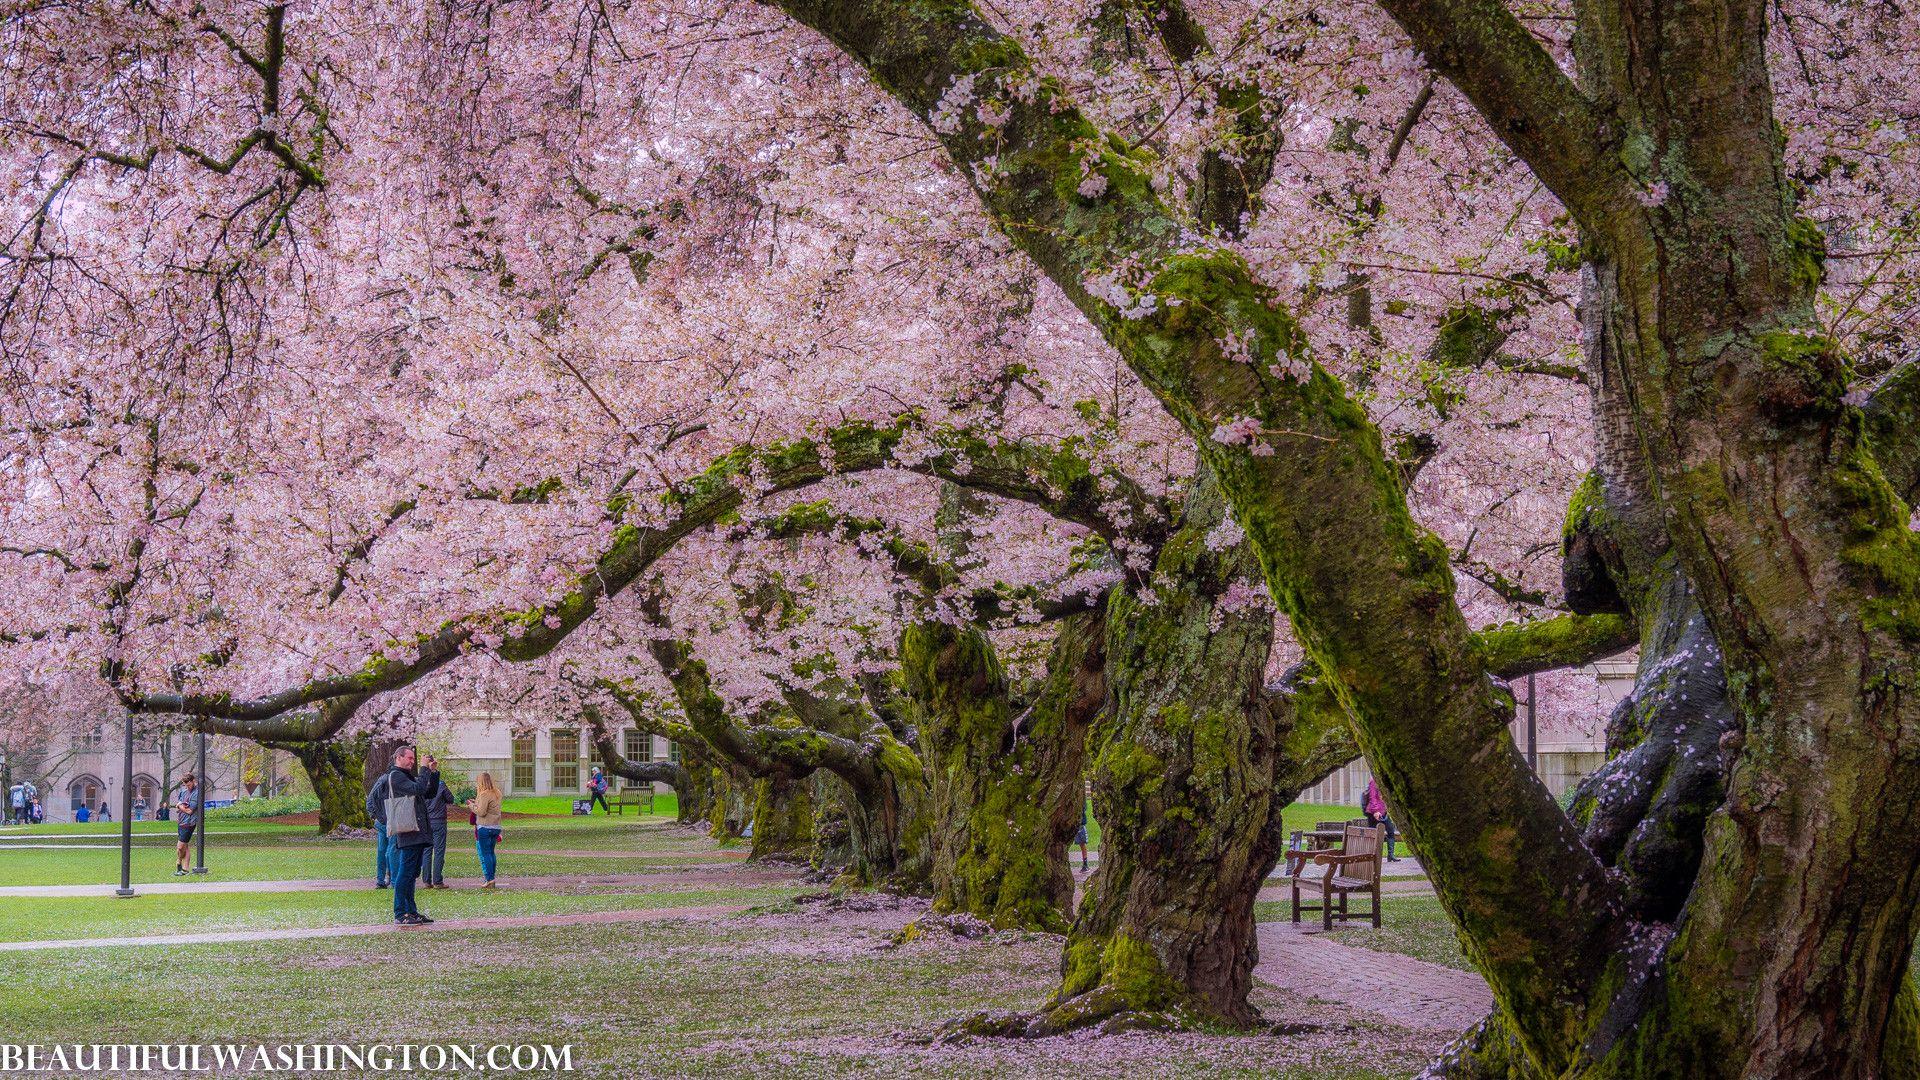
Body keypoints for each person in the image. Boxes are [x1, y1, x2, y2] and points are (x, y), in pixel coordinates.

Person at [384, 746, 442, 925]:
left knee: (412, 873)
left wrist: (432, 772)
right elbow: (417, 788)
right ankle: (400, 913)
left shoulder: (405, 776)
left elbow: (428, 792)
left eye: (413, 759)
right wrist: (424, 769)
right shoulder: (395, 776)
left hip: (417, 830)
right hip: (408, 830)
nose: (412, 761)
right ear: (398, 758)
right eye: (409, 758)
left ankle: (411, 911)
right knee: (405, 872)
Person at [467, 771, 503, 889]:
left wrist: (471, 806)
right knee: (491, 853)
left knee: (486, 854)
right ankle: (492, 878)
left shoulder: (484, 794)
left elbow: (481, 812)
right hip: (496, 827)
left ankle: (490, 879)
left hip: (485, 827)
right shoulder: (497, 793)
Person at [423, 777, 457, 889]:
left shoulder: (421, 784)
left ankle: (426, 880)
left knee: (427, 851)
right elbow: (451, 799)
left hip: (426, 821)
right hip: (439, 821)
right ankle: (437, 880)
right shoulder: (441, 784)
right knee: (439, 851)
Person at [365, 769, 395, 889]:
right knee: (391, 851)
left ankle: (380, 880)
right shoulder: (394, 780)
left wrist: (374, 815)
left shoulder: (380, 780)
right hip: (390, 820)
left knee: (382, 851)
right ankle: (392, 879)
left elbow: (370, 799)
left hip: (381, 820)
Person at [1362, 777, 1400, 862]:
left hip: (1383, 812)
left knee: (1390, 831)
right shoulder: (1374, 781)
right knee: (1373, 834)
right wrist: (1375, 811)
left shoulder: (1384, 780)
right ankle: (1371, 855)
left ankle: (1391, 855)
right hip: (1373, 812)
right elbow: (1372, 797)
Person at [172, 774, 199, 876]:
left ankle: (178, 863)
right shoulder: (183, 792)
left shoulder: (197, 793)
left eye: (189, 784)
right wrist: (179, 806)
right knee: (185, 846)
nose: (188, 787)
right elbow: (178, 806)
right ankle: (185, 869)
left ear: (193, 781)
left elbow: (189, 810)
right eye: (186, 785)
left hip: (189, 822)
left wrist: (180, 806)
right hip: (181, 821)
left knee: (180, 847)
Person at [1073, 800, 1091, 873]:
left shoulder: (1081, 800)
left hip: (1080, 824)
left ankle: (1085, 865)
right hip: (1074, 823)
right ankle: (1085, 865)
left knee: (1082, 844)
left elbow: (1084, 808)